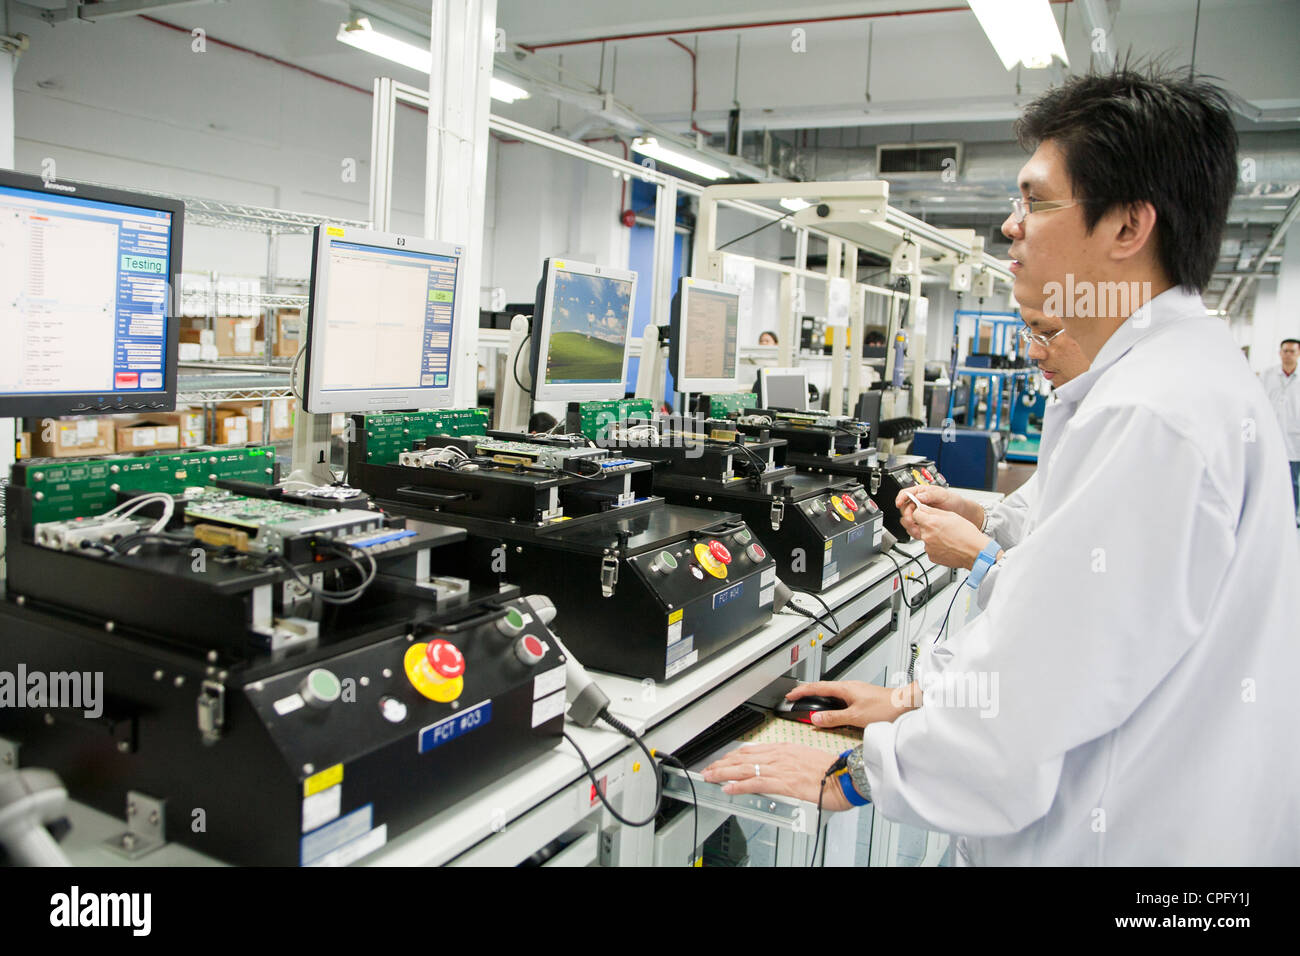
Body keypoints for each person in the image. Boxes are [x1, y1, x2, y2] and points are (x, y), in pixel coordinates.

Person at [704, 65, 1300, 864]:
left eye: (1036, 200)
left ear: (1128, 227)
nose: (1010, 228)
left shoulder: (1153, 412)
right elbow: (1078, 632)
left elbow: (1039, 683)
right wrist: (915, 701)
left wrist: (848, 775)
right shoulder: (1170, 381)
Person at [895, 307, 1089, 582]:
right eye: (1030, 333)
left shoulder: (1132, 423)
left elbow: (1075, 592)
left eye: (1047, 333)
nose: (1033, 352)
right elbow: (1032, 518)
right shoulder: (1074, 410)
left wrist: (978, 556)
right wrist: (968, 512)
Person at [1260, 338, 1300, 521]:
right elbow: (1258, 402)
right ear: (1279, 353)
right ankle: (1274, 515)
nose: (1288, 355)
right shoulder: (1268, 375)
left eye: (1292, 351)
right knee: (1271, 478)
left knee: (1294, 481)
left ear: (1298, 353)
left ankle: (1293, 515)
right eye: (1285, 351)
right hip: (1272, 435)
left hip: (1295, 438)